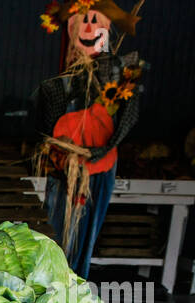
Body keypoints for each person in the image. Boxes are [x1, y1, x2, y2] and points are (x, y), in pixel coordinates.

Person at [33, 1, 146, 277]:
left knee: (85, 233)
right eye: (82, 21)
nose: (89, 27)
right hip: (65, 170)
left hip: (98, 167)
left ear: (107, 28)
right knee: (58, 230)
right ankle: (55, 284)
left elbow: (125, 119)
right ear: (71, 29)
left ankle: (74, 285)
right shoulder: (57, 85)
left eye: (96, 20)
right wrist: (59, 153)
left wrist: (97, 152)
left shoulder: (118, 74)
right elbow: (49, 129)